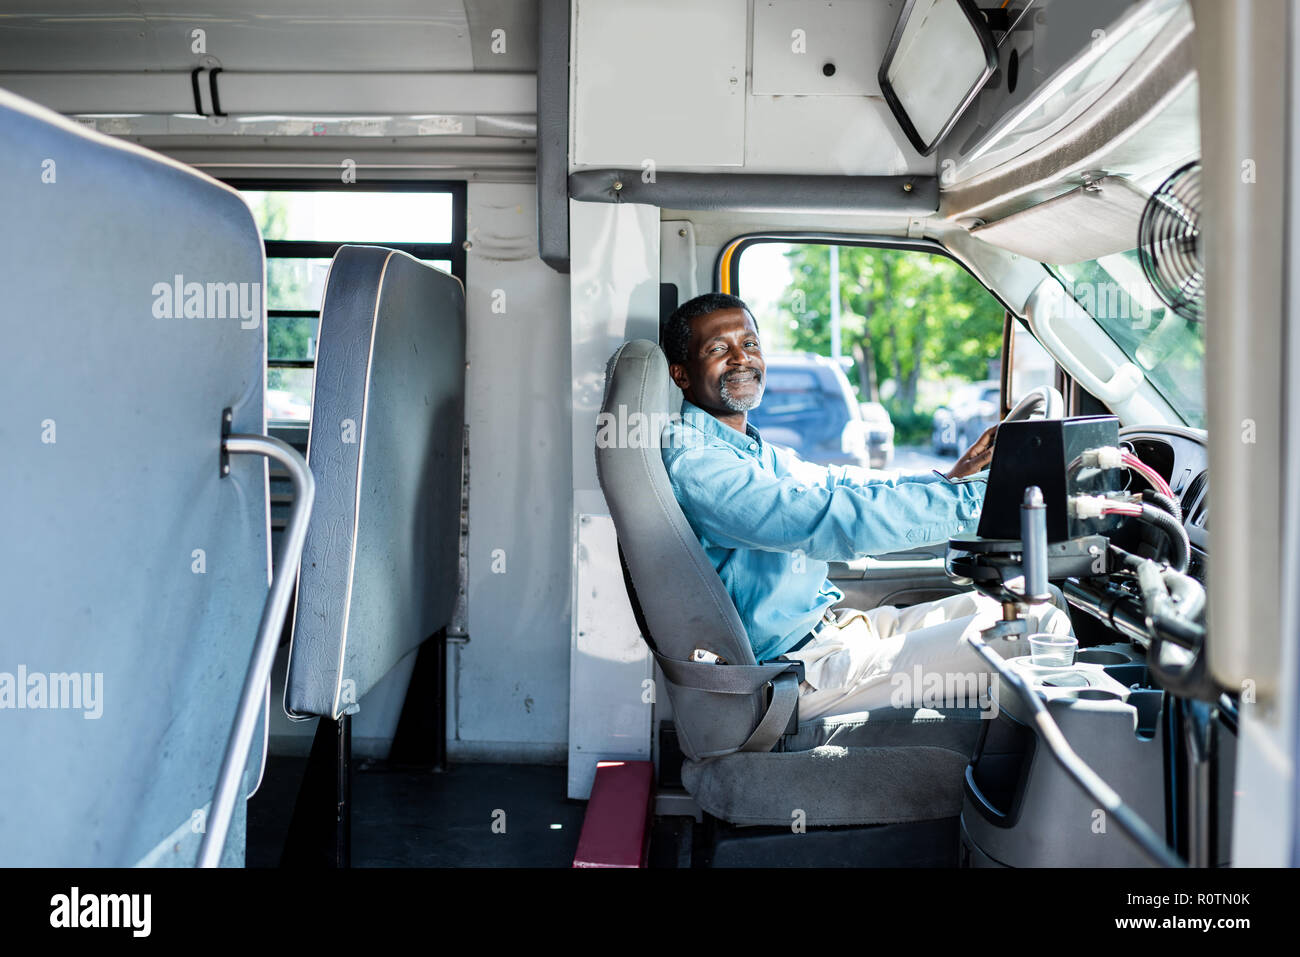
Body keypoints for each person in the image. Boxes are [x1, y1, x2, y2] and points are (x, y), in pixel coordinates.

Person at [660, 293, 1072, 720]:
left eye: (750, 344)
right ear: (681, 373)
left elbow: (843, 484)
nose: (741, 359)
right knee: (1038, 630)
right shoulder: (698, 463)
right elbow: (829, 519)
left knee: (1038, 603)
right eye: (718, 349)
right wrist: (989, 502)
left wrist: (954, 479)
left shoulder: (751, 450)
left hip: (832, 633)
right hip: (794, 674)